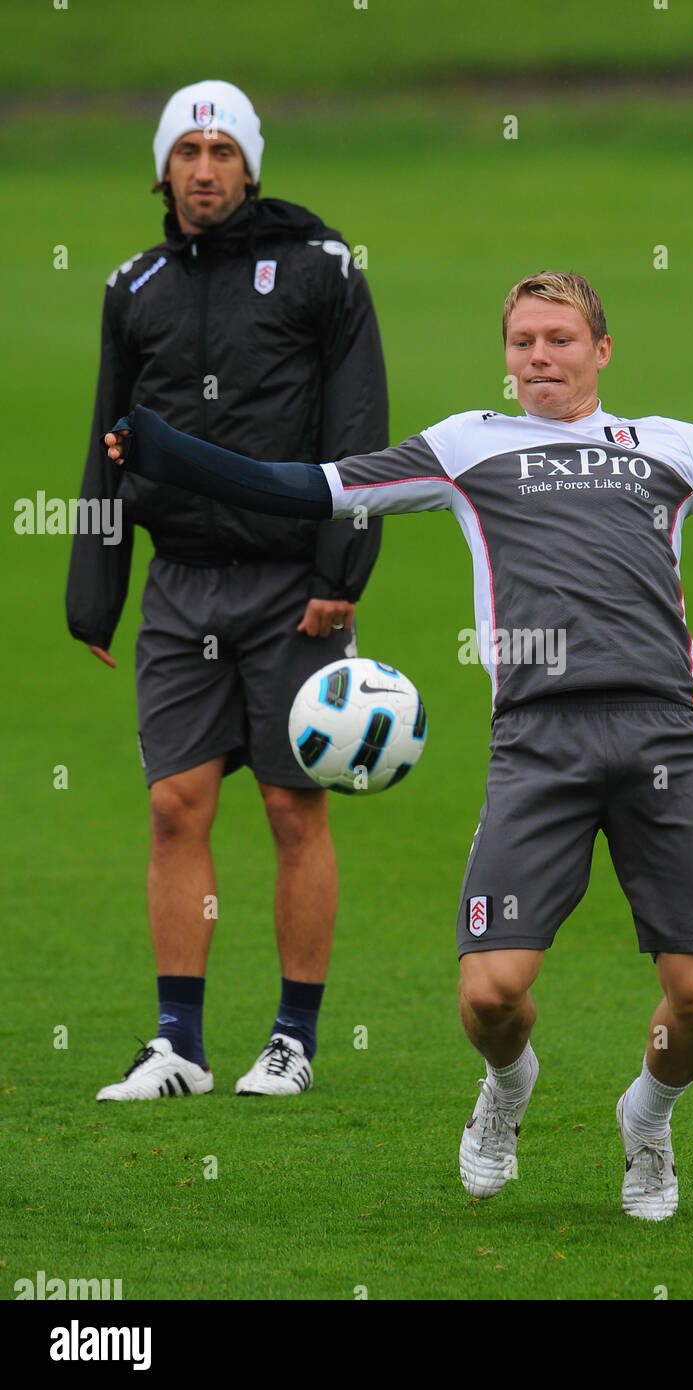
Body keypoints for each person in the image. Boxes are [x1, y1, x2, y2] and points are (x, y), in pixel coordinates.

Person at [101, 271, 693, 1218]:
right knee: (489, 992)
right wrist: (171, 452)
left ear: (600, 351)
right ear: (505, 356)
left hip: (664, 739)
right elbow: (304, 490)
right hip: (538, 743)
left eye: (560, 339)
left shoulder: (670, 448)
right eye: (523, 340)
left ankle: (647, 1118)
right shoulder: (463, 448)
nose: (540, 356)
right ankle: (506, 1089)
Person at [67, 80, 388, 1102]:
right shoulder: (134, 285)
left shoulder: (318, 270)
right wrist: (95, 588)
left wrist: (341, 573)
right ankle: (178, 1047)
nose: (203, 169)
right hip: (180, 586)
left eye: (221, 150)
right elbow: (105, 442)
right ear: (162, 169)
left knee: (294, 809)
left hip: (291, 585)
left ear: (250, 164)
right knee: (174, 806)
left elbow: (359, 426)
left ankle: (291, 1038)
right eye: (186, 151)